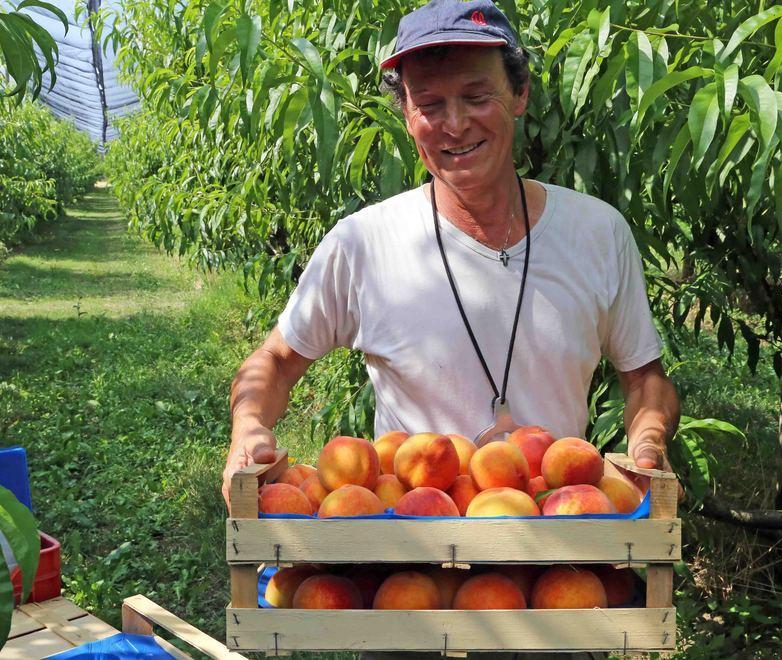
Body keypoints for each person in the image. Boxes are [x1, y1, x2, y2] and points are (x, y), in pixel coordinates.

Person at [223, 1, 679, 657]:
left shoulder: (596, 234)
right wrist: (248, 429)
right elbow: (273, 364)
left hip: (555, 577)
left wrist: (648, 437)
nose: (454, 123)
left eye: (476, 95)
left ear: (519, 94)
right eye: (429, 104)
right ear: (405, 115)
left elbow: (645, 378)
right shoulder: (364, 245)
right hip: (407, 586)